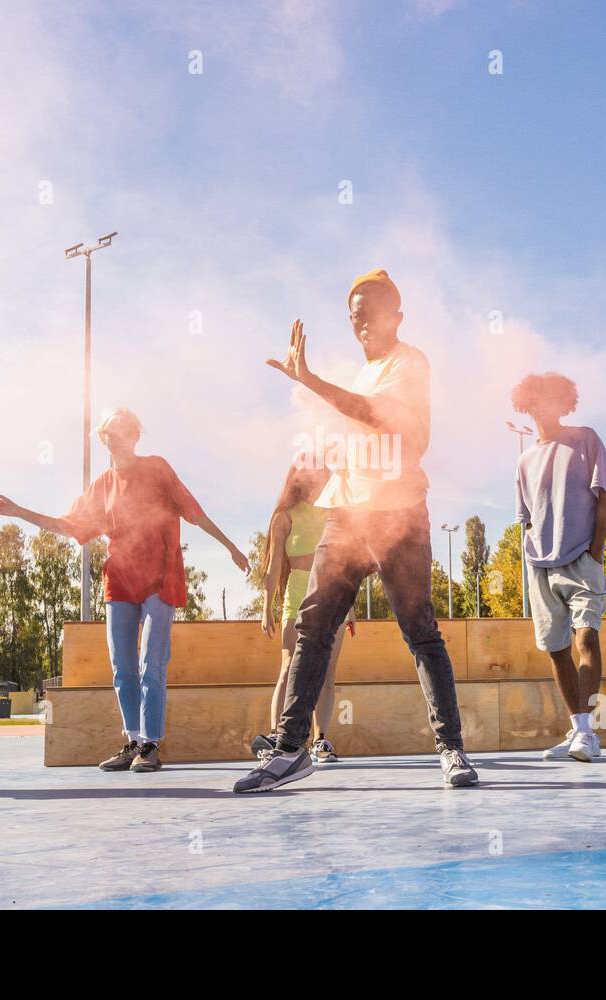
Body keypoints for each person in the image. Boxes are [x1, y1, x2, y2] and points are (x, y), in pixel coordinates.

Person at [234, 268, 477, 792]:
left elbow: (378, 418)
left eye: (368, 308)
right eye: (352, 313)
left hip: (399, 515)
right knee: (312, 627)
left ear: (396, 314)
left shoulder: (409, 363)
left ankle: (451, 749)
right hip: (347, 516)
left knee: (420, 631)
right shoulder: (360, 373)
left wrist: (313, 382)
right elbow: (350, 440)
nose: (359, 319)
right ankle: (290, 748)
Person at [0, 408, 249, 773]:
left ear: (135, 435)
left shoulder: (157, 468)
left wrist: (230, 546)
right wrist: (20, 512)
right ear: (103, 438)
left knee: (151, 664)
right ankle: (134, 741)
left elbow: (194, 511)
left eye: (123, 430)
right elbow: (70, 526)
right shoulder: (101, 487)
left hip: (161, 579)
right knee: (122, 669)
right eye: (109, 432)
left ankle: (152, 746)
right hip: (120, 583)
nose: (115, 437)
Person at [512, 373, 606, 763]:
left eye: (551, 398)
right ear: (526, 405)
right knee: (556, 651)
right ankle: (579, 729)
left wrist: (596, 549)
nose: (543, 406)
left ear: (565, 402)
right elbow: (525, 518)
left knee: (586, 639)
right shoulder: (524, 459)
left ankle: (586, 734)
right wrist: (531, 563)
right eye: (535, 400)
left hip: (581, 560)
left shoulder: (586, 438)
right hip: (539, 565)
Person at [252, 463, 354, 764]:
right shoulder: (284, 517)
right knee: (288, 668)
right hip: (296, 596)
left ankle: (321, 740)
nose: (317, 476)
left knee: (326, 673)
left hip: (331, 594)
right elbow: (273, 569)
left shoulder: (335, 513)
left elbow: (346, 562)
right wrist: (266, 607)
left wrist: (349, 607)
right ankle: (277, 735)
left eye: (322, 470)